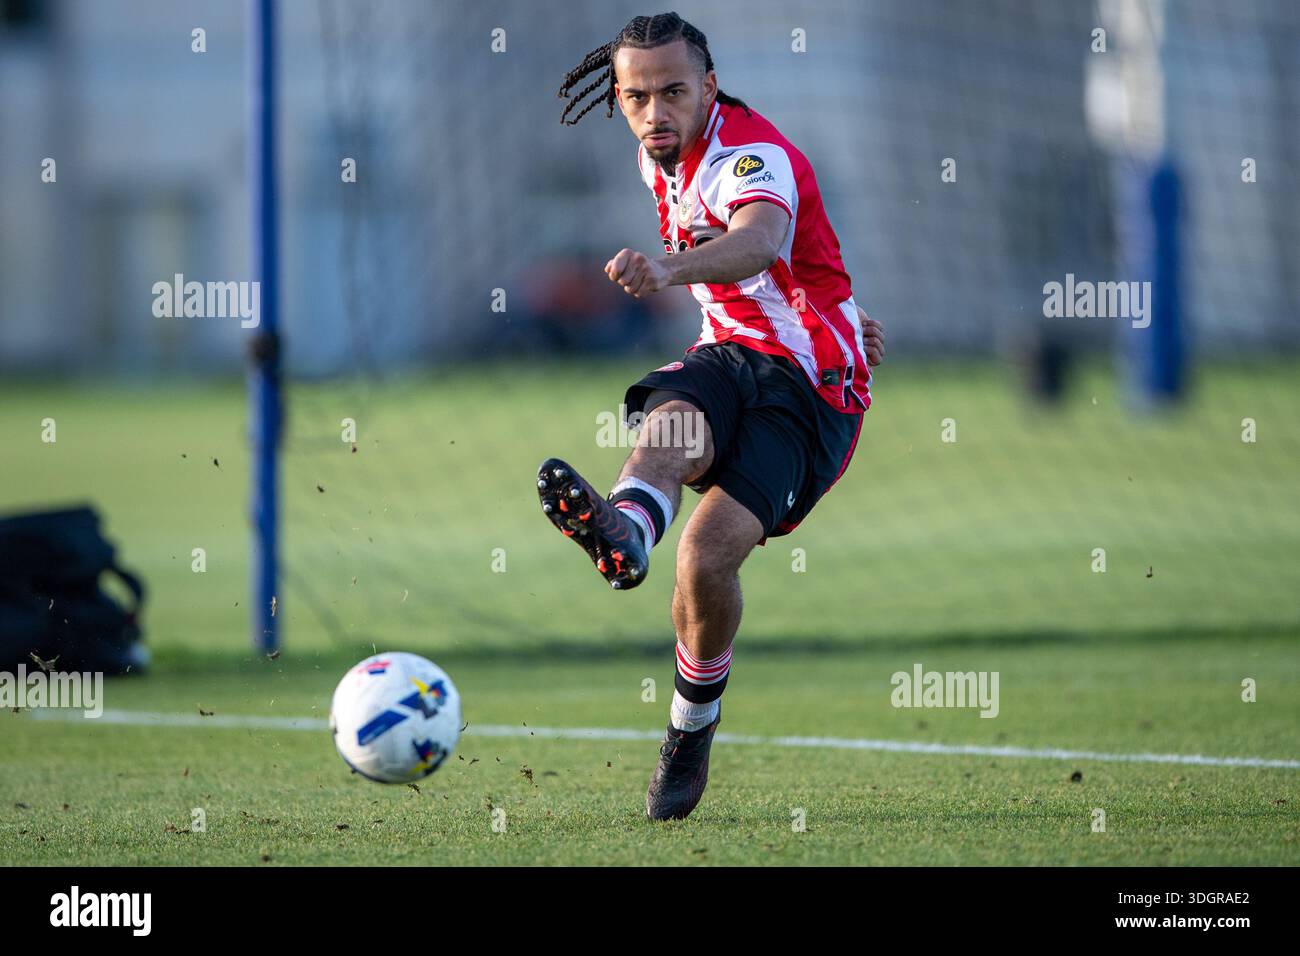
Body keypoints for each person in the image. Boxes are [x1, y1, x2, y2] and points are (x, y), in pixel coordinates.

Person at [538, 11, 885, 821]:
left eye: (673, 92)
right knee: (669, 433)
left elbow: (761, 241)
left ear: (710, 88)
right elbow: (785, 274)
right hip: (727, 355)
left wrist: (665, 268)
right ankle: (622, 534)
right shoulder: (653, 155)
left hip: (812, 387)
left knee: (702, 560)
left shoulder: (748, 155)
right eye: (636, 96)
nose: (655, 112)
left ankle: (689, 731)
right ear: (618, 98)